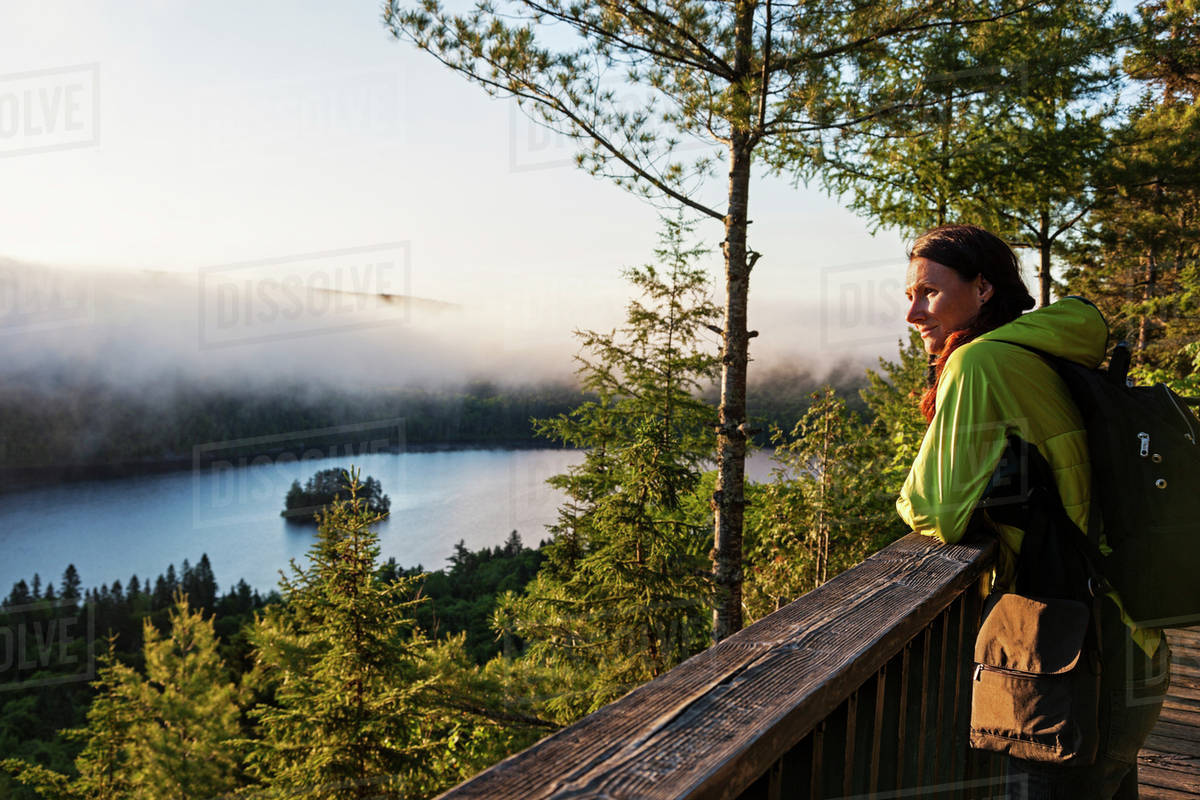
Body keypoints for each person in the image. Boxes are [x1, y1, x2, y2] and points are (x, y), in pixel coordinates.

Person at [895, 224, 1170, 799]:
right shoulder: (1038, 351)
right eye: (910, 295)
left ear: (983, 289)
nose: (913, 313)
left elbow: (934, 510)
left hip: (1076, 660)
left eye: (929, 292)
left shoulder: (979, 363)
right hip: (1127, 641)